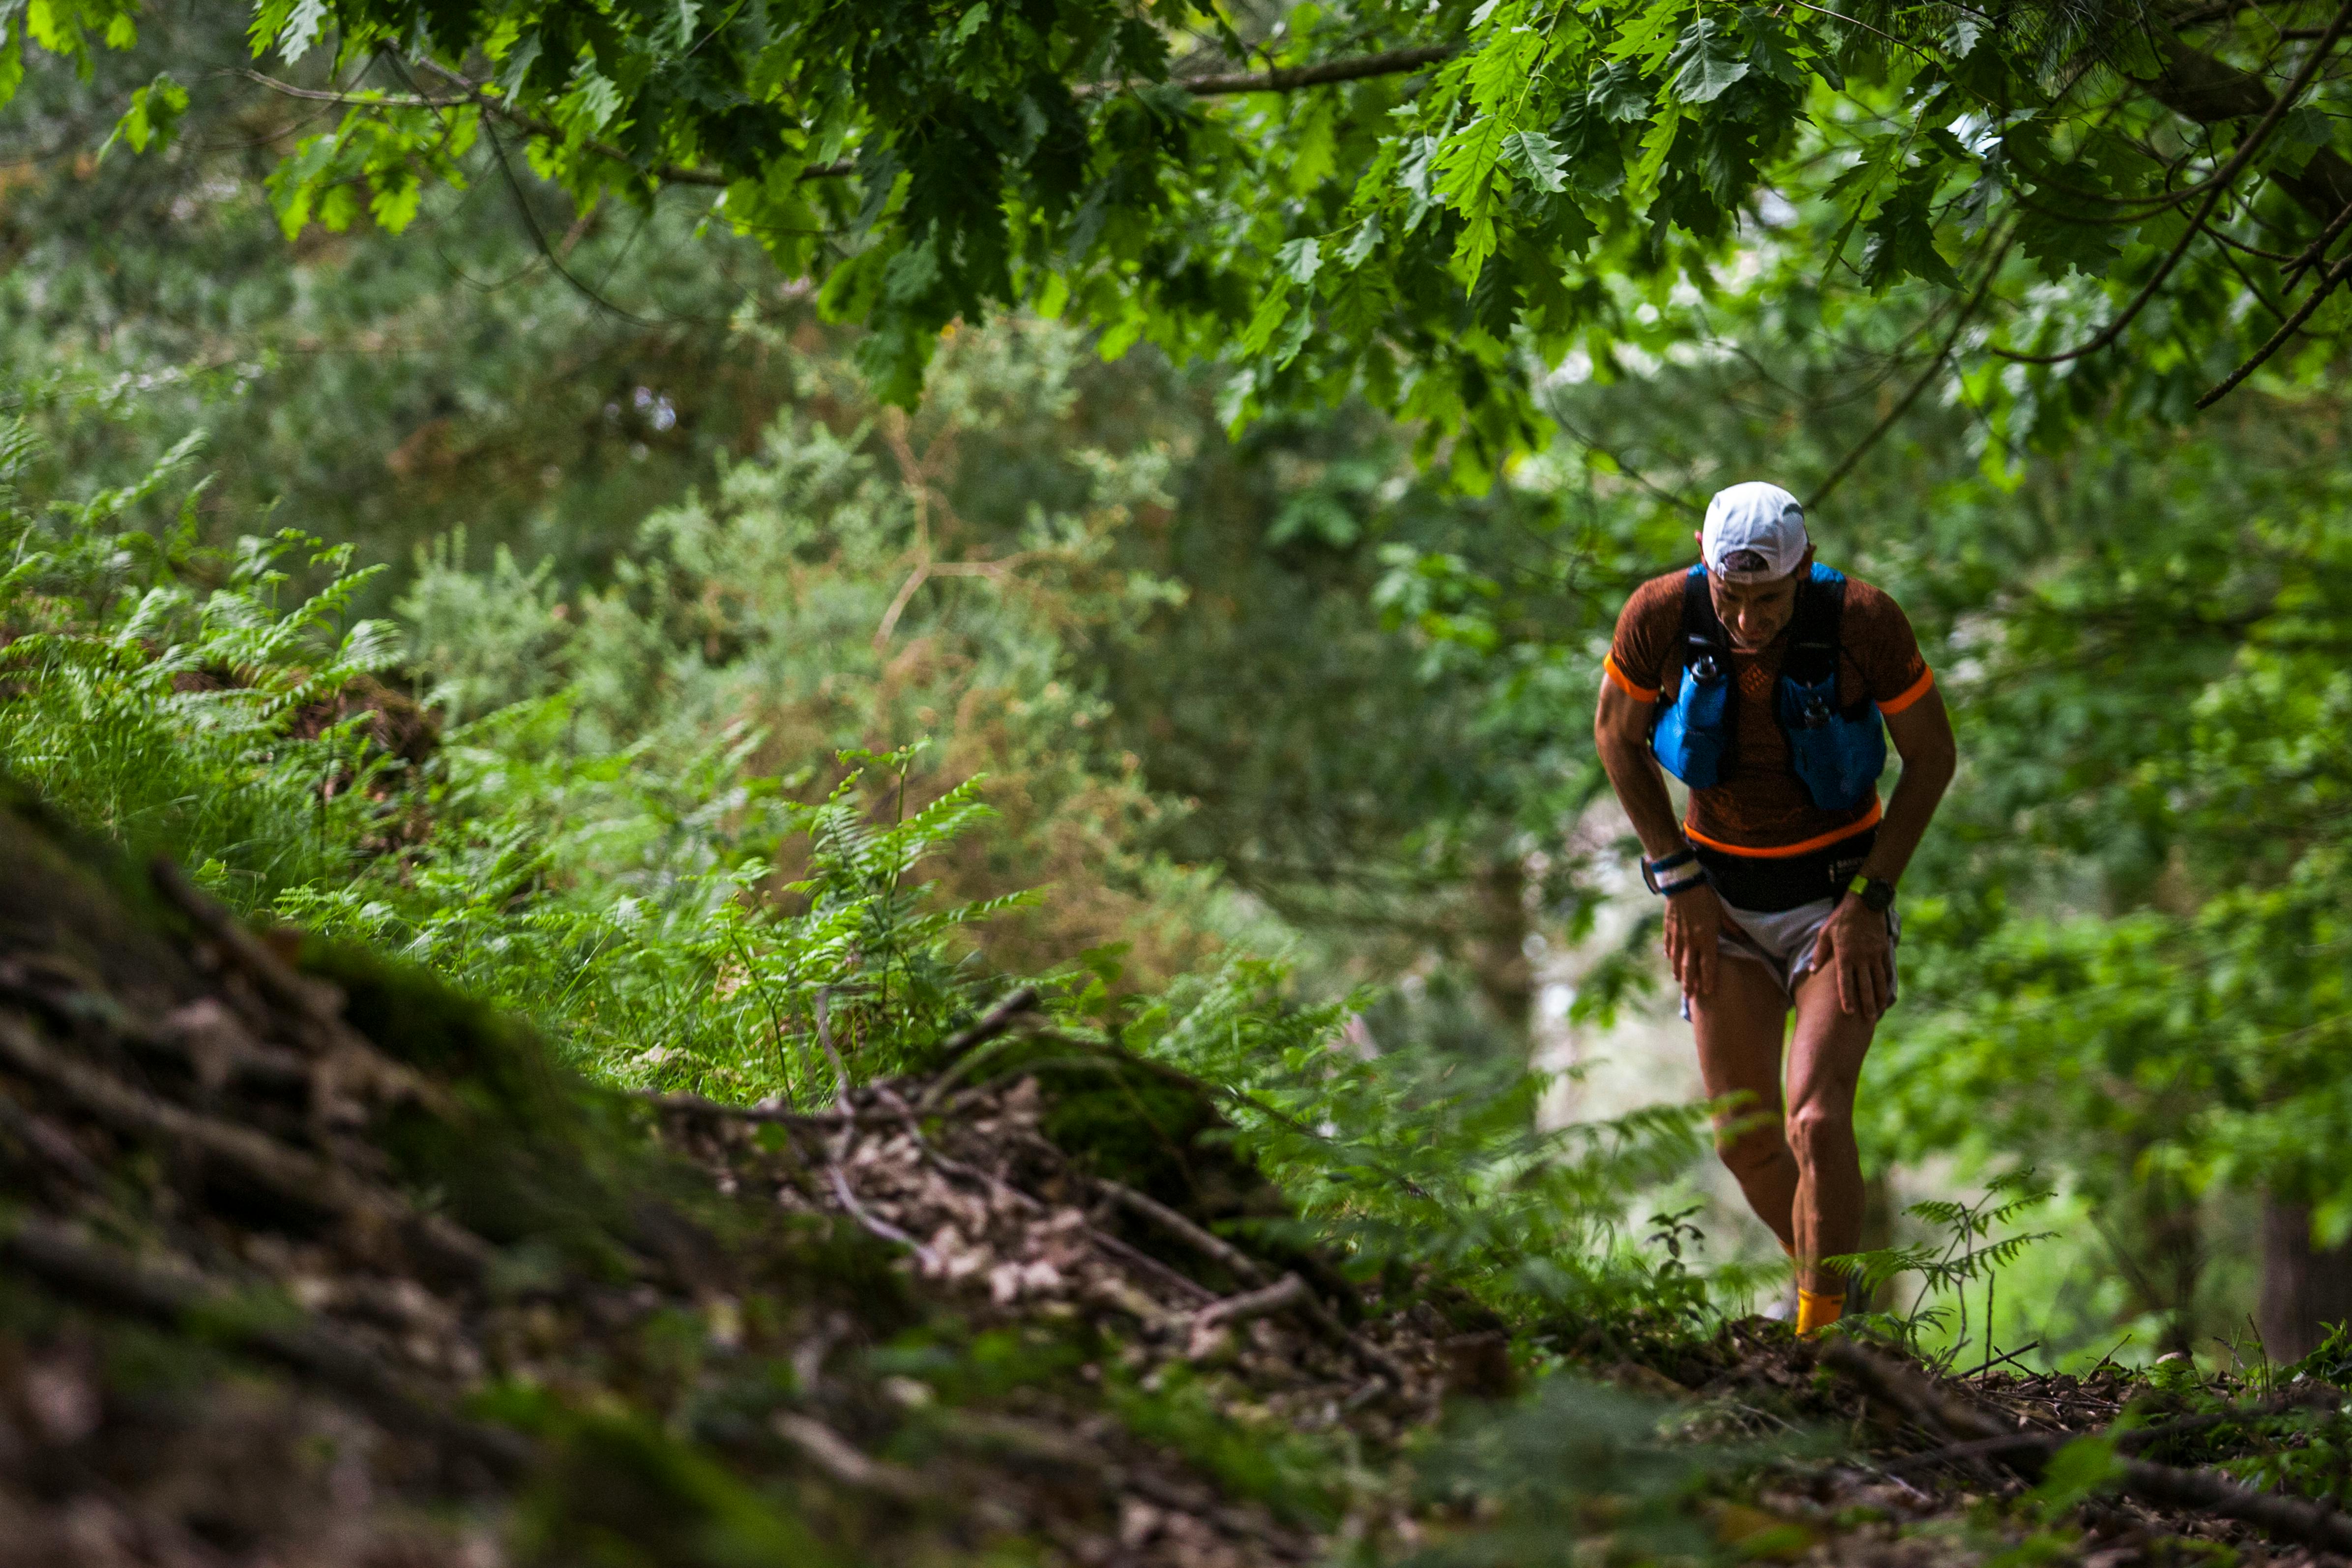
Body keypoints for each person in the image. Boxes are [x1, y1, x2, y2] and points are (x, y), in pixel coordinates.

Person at [1591, 482, 1957, 1334]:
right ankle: (1840, 1293)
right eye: (1732, 598)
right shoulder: (1659, 614)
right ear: (1704, 563)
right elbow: (1616, 733)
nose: (1749, 621)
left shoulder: (1864, 621)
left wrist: (1872, 897)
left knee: (1816, 1116)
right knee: (1746, 1139)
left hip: (1837, 900)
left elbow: (1932, 757)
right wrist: (1675, 877)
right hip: (1717, 900)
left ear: (1807, 568)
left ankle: (1821, 1341)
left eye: (1770, 600)